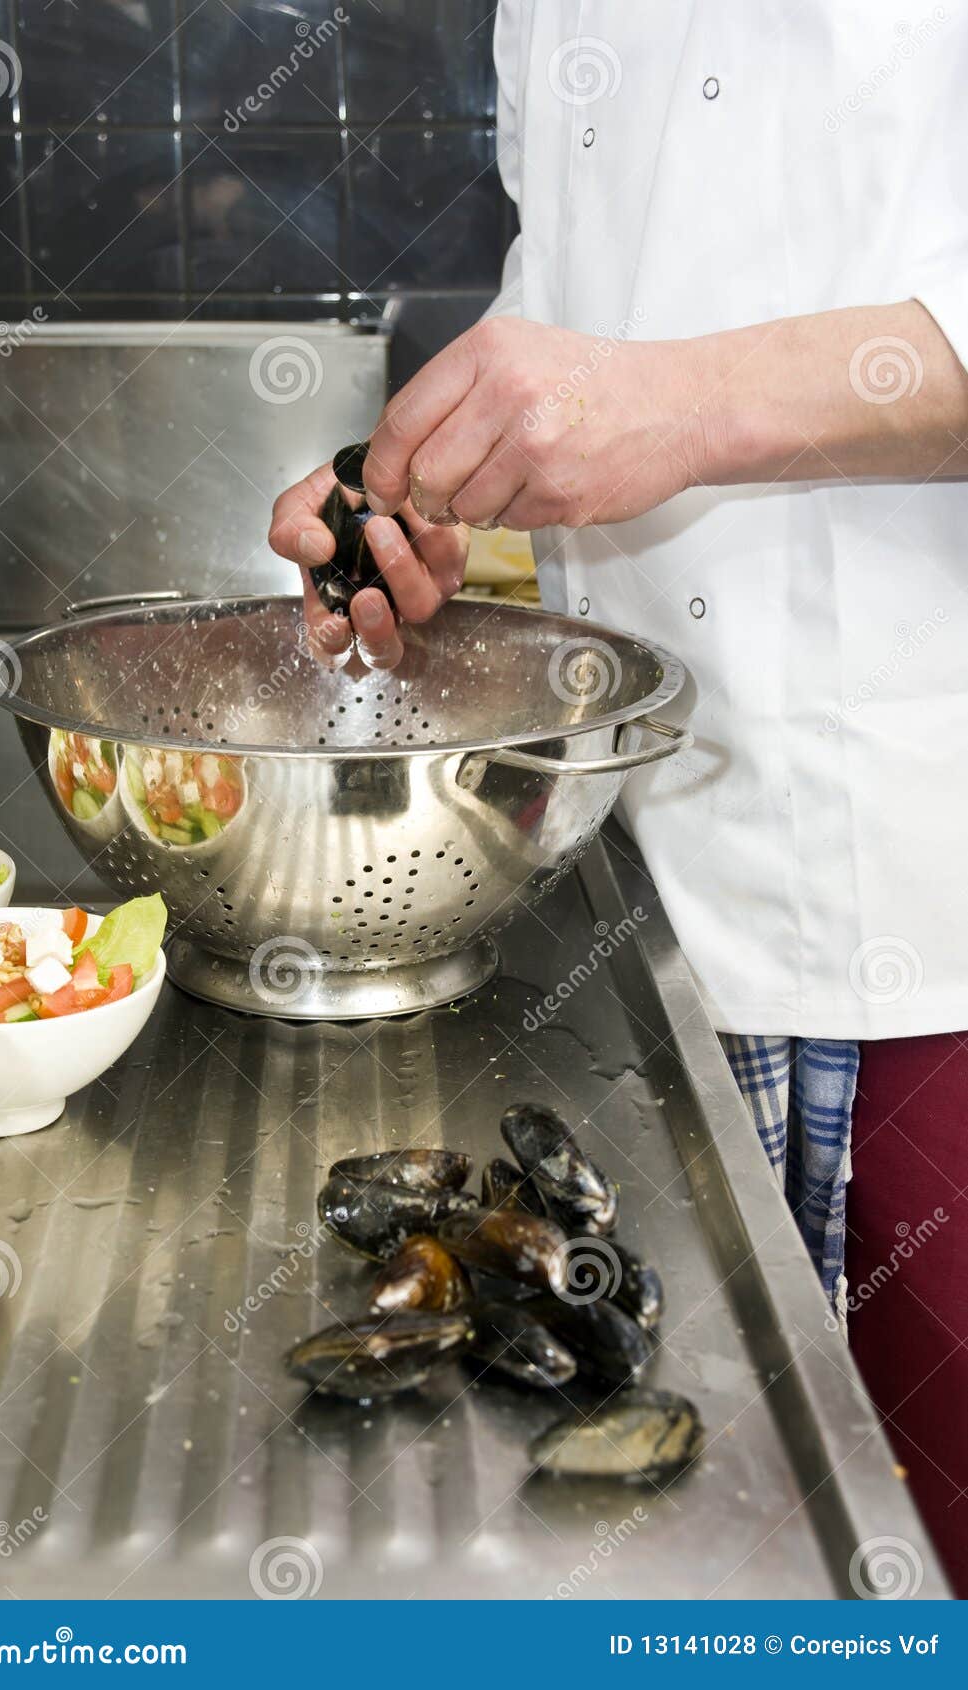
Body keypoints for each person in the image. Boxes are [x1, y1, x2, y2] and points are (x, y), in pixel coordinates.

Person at [269, 2, 968, 1591]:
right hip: (644, 901)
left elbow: (674, 371)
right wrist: (446, 487)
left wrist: (681, 403)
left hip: (930, 910)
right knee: (730, 1564)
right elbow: (611, 296)